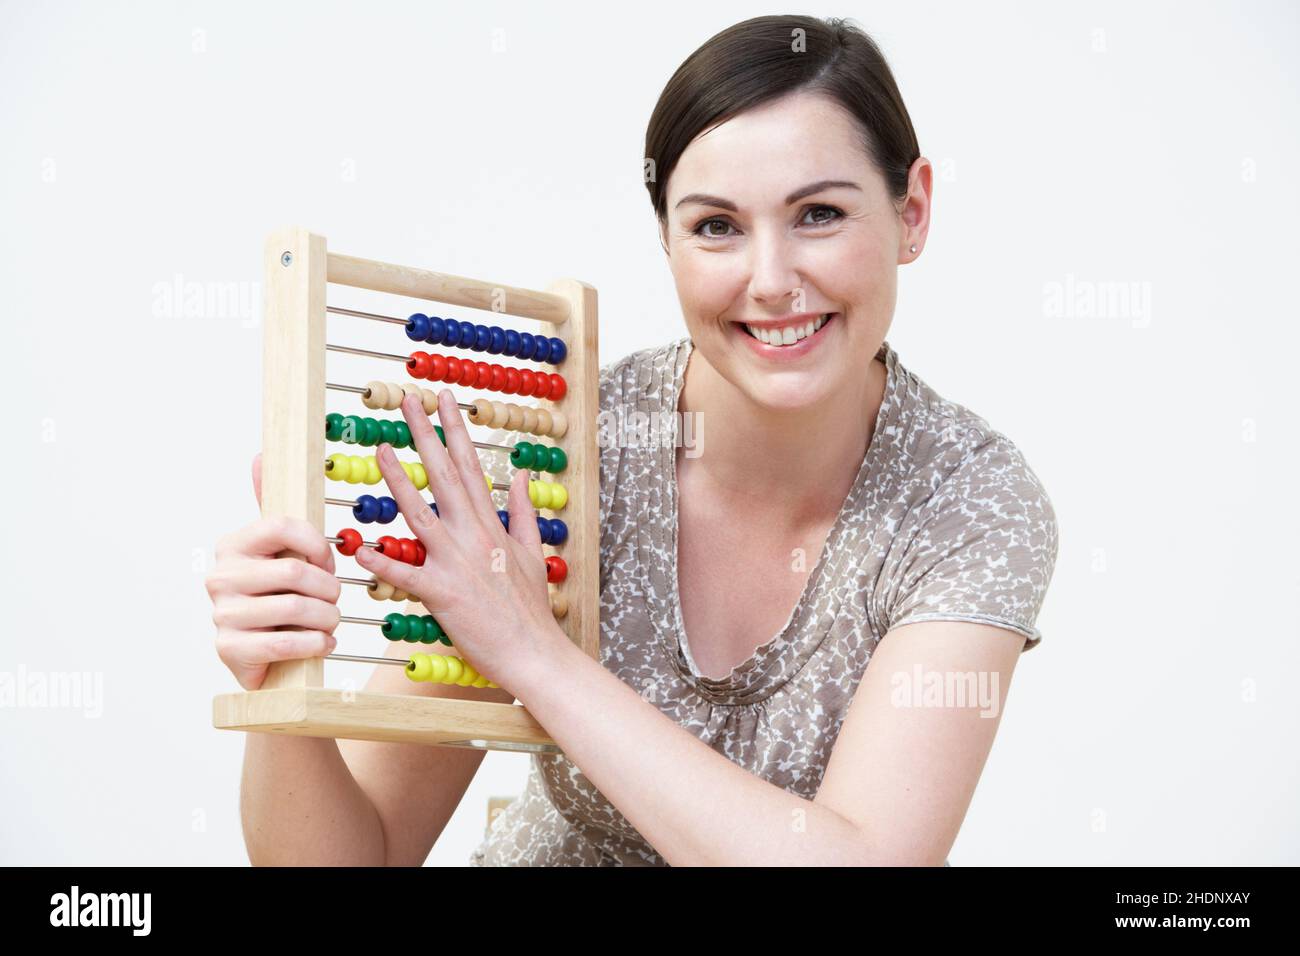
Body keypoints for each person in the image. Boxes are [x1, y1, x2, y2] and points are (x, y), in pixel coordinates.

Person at [207, 14, 1058, 867]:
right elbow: (356, 858)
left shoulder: (968, 501)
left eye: (820, 214)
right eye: (716, 227)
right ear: (667, 240)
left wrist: (537, 658)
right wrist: (280, 674)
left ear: (912, 213)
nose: (770, 282)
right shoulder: (572, 462)